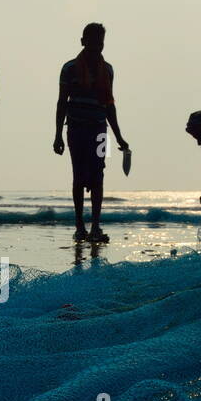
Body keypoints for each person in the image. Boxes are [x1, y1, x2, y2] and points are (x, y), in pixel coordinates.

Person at [53, 22, 129, 243]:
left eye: (100, 42)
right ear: (83, 41)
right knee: (78, 176)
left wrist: (119, 136)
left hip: (99, 130)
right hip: (76, 129)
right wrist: (58, 134)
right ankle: (80, 226)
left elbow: (110, 105)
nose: (96, 47)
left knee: (98, 175)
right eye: (92, 41)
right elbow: (61, 102)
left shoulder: (108, 70)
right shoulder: (69, 68)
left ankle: (95, 226)